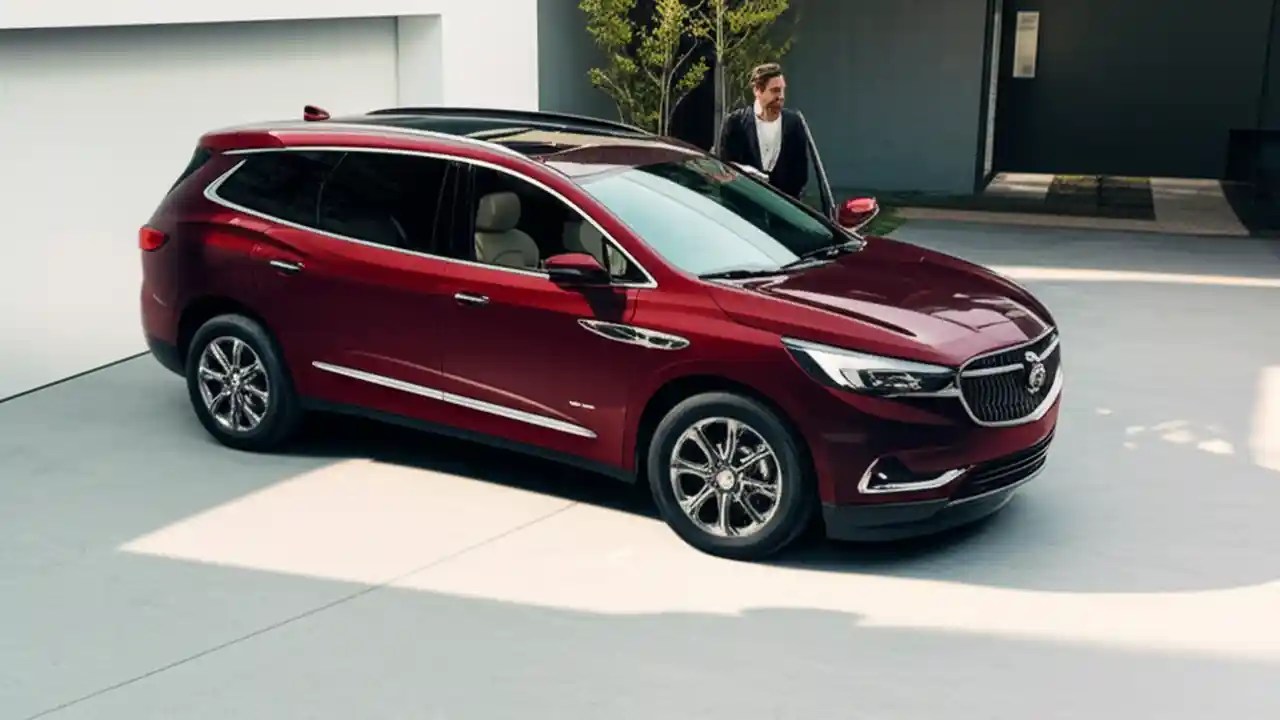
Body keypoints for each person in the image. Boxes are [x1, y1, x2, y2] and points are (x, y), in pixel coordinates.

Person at [716, 62, 811, 200]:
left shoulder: (793, 124)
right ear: (757, 91)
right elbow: (724, 168)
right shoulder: (735, 123)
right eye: (775, 90)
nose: (781, 96)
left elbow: (801, 174)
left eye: (782, 90)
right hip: (744, 204)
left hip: (783, 206)